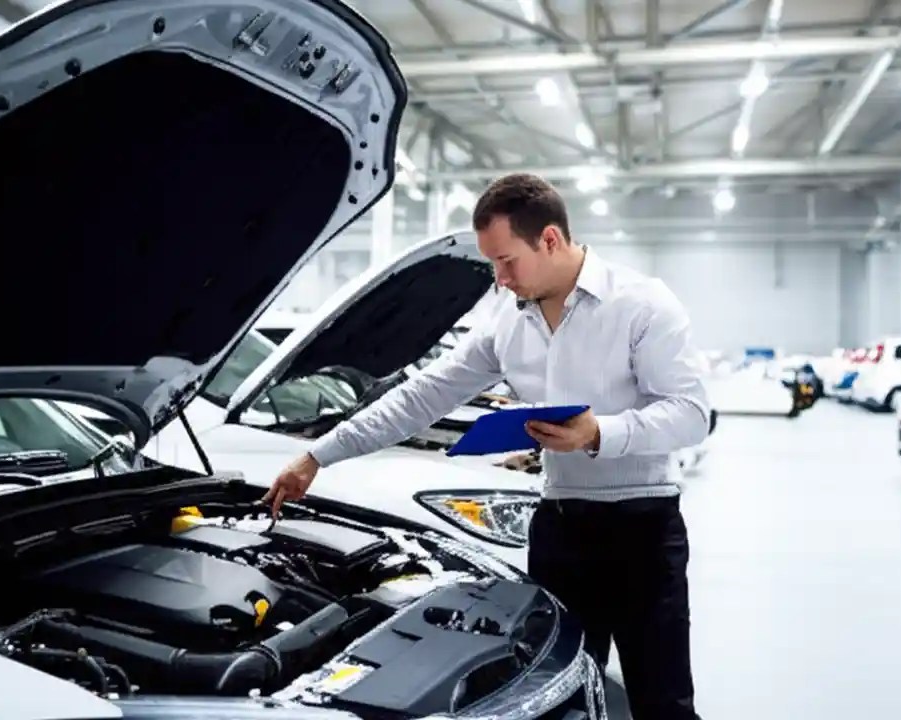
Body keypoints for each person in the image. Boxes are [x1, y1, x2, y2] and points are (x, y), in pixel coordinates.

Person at [263, 172, 710, 720]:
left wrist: (598, 433)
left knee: (662, 702)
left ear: (549, 239)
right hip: (560, 529)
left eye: (506, 261)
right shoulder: (509, 323)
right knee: (556, 697)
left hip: (642, 529)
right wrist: (316, 456)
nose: (499, 280)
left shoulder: (641, 304)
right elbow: (421, 397)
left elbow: (691, 414)